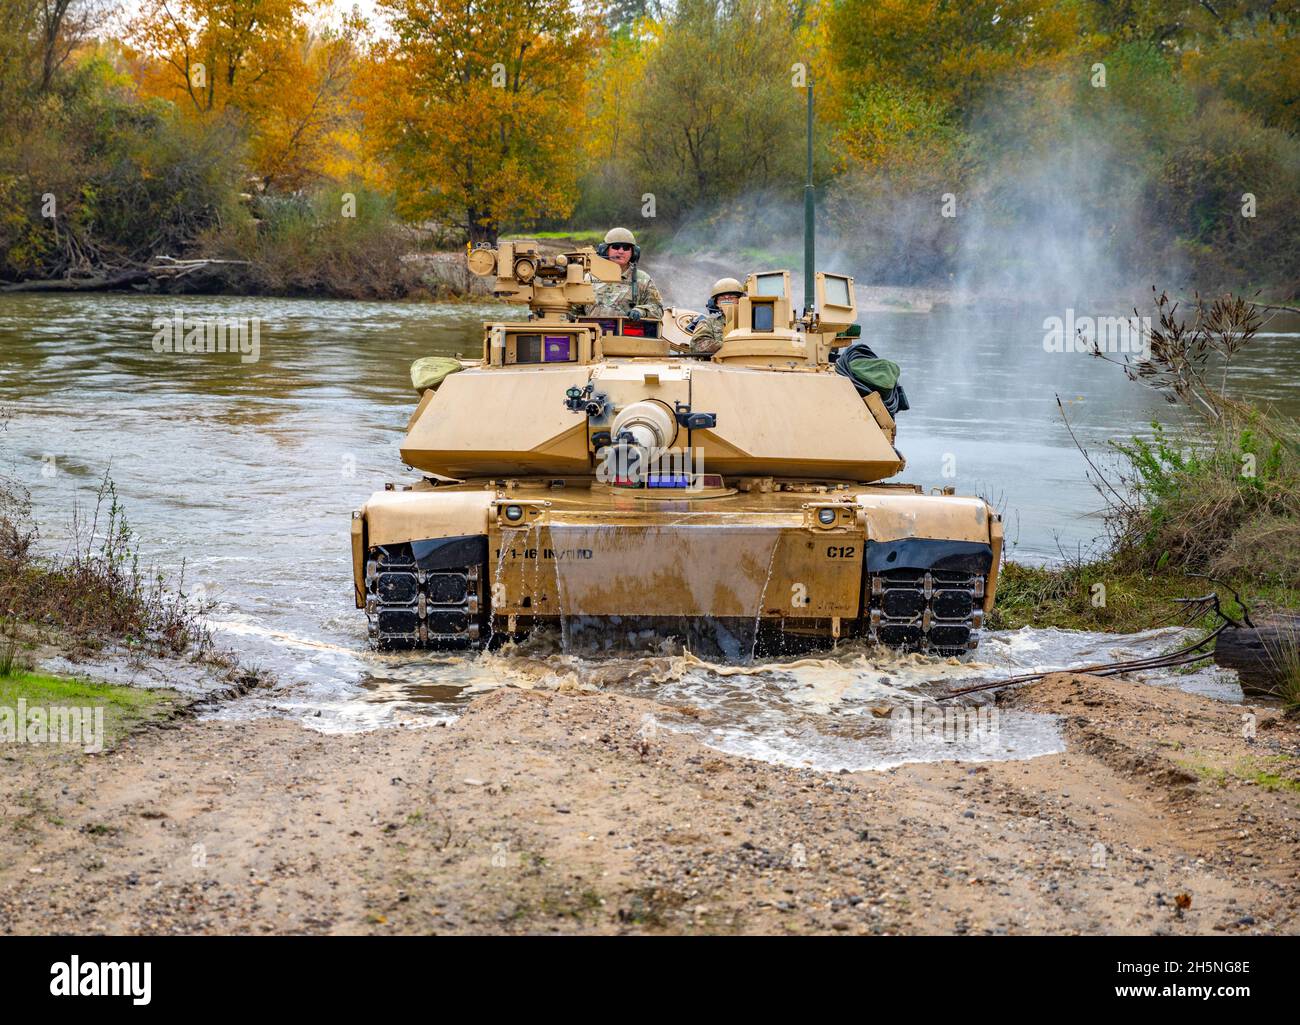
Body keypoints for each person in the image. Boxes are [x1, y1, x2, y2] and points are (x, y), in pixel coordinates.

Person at [583, 227, 663, 321]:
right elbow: (573, 309)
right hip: (590, 333)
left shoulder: (642, 279)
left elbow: (658, 309)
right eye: (616, 247)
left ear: (633, 253)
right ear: (605, 250)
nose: (621, 251)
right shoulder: (589, 278)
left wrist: (640, 311)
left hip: (624, 334)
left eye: (626, 248)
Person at [688, 277, 744, 354]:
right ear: (716, 303)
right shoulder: (708, 323)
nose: (727, 300)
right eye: (722, 298)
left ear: (740, 300)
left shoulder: (754, 320)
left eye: (731, 297)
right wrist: (730, 346)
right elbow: (697, 345)